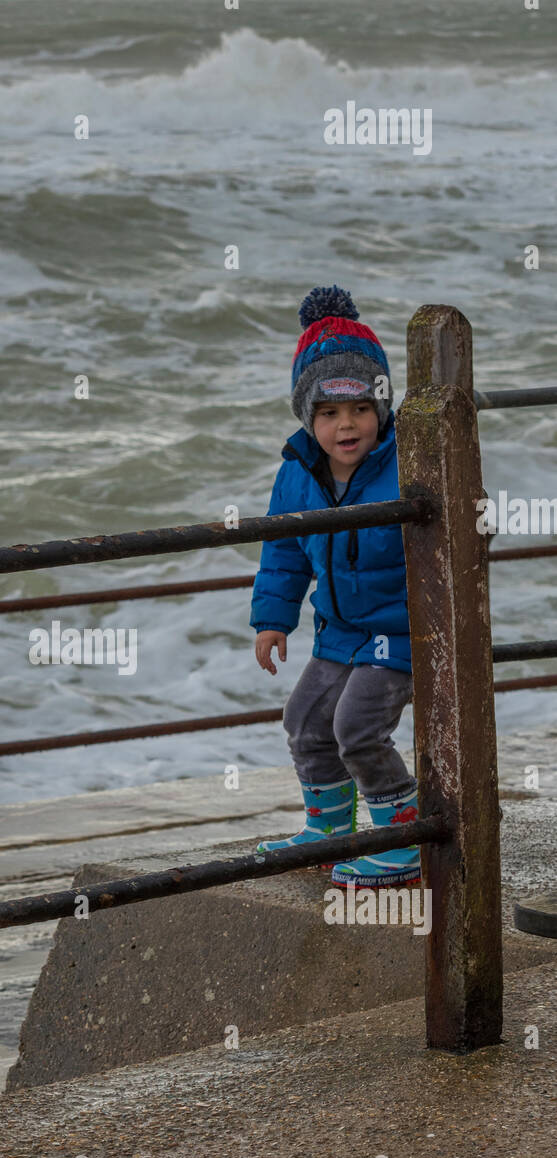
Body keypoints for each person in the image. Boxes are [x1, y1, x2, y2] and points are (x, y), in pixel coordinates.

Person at [249, 285, 419, 887]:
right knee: (306, 719)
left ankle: (405, 840)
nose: (346, 425)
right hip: (338, 631)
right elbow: (283, 551)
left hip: (398, 631)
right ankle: (329, 831)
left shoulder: (410, 465)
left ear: (383, 409)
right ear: (307, 416)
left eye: (360, 410)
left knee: (357, 728)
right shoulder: (297, 474)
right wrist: (272, 619)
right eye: (328, 413)